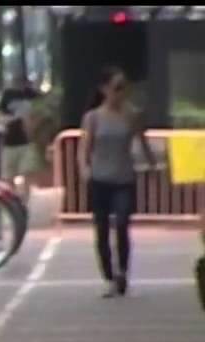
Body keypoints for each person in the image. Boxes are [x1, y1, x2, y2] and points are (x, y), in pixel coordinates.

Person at [79, 66, 156, 298]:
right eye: (116, 88)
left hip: (124, 178)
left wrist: (153, 165)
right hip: (100, 179)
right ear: (104, 90)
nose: (121, 93)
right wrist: (85, 170)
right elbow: (84, 149)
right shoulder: (92, 118)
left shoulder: (131, 114)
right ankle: (109, 277)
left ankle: (122, 271)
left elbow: (143, 143)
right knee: (101, 230)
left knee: (122, 224)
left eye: (124, 88)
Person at [0, 77, 43, 186]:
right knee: (7, 178)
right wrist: (11, 119)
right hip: (10, 143)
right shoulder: (8, 95)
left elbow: (40, 115)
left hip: (28, 143)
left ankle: (26, 201)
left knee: (28, 175)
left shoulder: (34, 96)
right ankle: (10, 201)